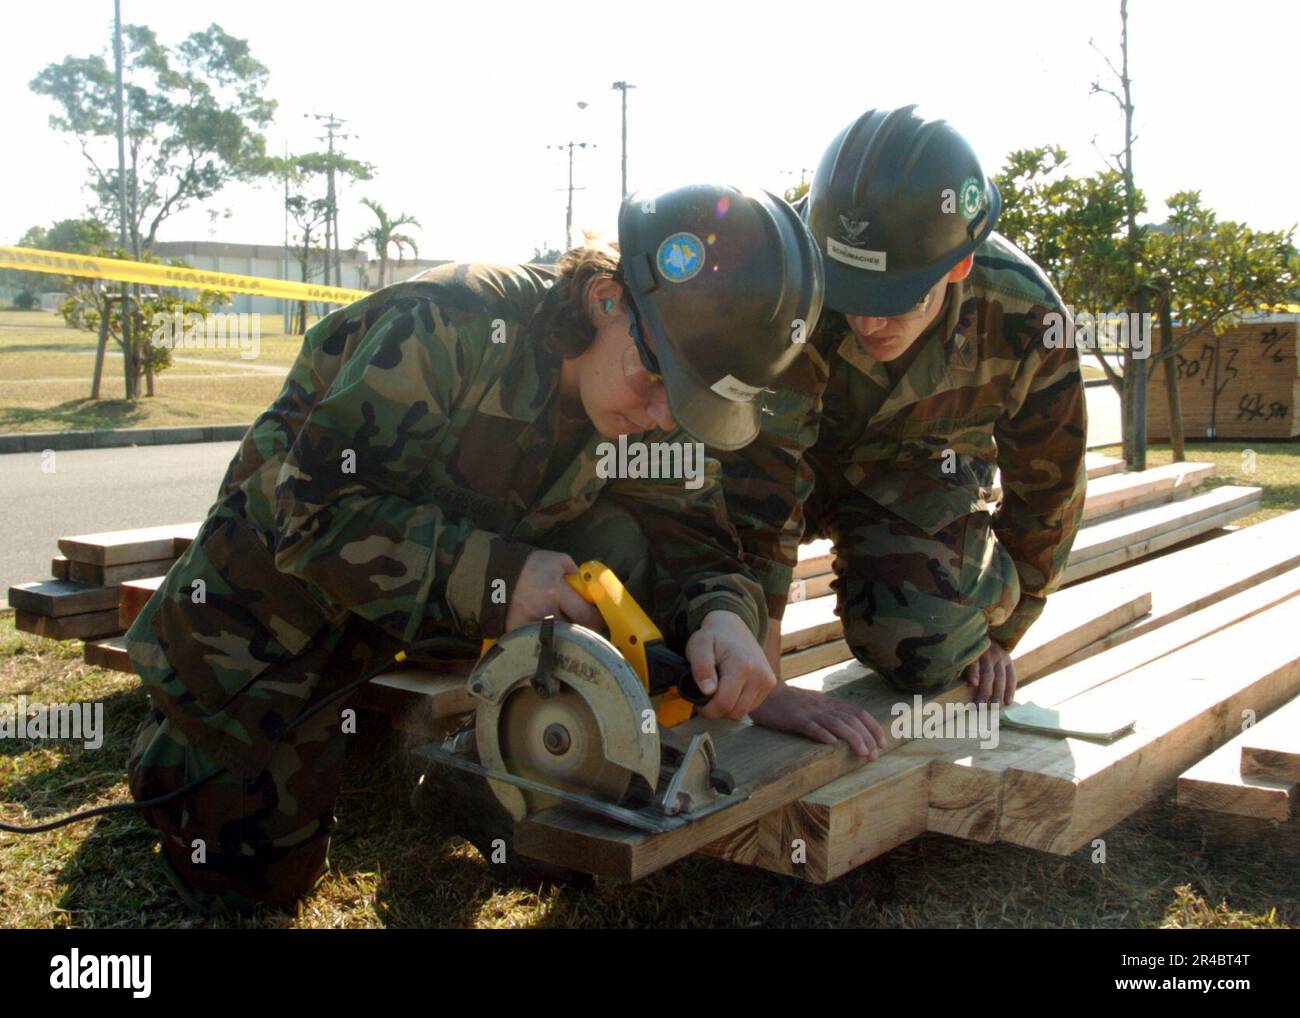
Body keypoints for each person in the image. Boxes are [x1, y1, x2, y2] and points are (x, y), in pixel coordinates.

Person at [122, 182, 874, 915]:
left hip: (441, 595)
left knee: (619, 545)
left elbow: (695, 540)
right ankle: (182, 732)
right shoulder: (449, 323)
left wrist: (724, 615)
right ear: (608, 298)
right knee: (257, 878)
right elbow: (309, 517)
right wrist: (501, 576)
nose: (660, 415)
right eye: (657, 381)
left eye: (686, 400)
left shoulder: (656, 377)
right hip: (282, 599)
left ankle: (498, 769)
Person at [719, 105, 1088, 716]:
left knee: (927, 648)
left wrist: (997, 633)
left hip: (919, 485)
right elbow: (764, 479)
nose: (868, 323)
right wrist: (765, 677)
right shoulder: (791, 289)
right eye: (852, 295)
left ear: (958, 266)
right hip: (791, 476)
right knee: (688, 617)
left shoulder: (1024, 315)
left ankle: (964, 592)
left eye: (896, 302)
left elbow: (1051, 486)